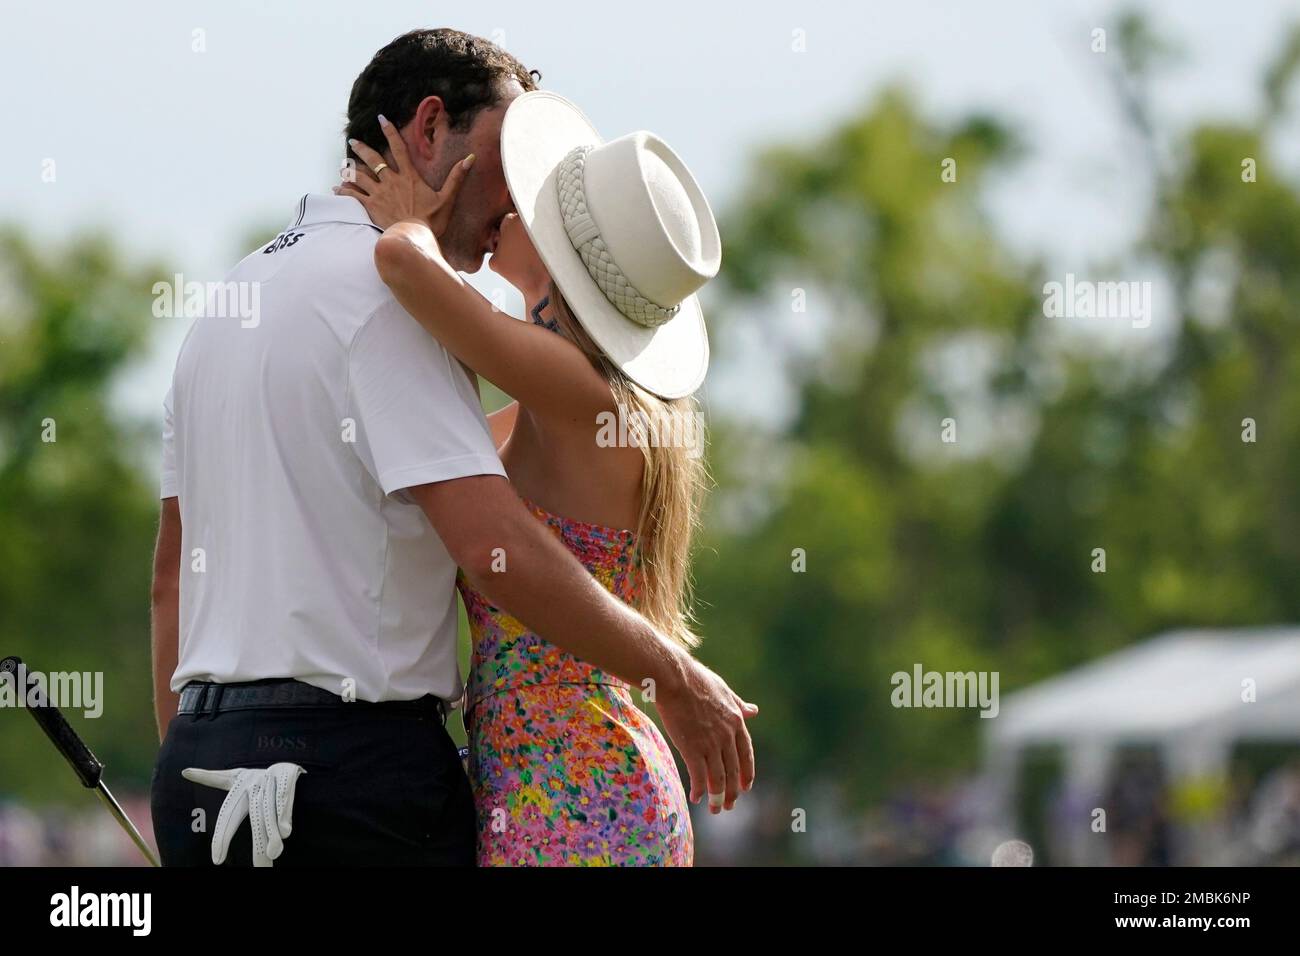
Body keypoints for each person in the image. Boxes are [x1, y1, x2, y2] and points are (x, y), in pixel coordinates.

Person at [149, 28, 755, 867]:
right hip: (358, 775)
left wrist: (181, 769)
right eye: (512, 163)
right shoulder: (395, 302)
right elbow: (488, 539)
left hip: (205, 766)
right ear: (430, 129)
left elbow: (170, 577)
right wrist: (675, 678)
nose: (517, 200)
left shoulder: (224, 305)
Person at [338, 90, 721, 865]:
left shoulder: (576, 387)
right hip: (578, 774)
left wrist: (411, 212)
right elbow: (437, 474)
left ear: (558, 252)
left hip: (569, 780)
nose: (506, 197)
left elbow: (398, 263)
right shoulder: (579, 403)